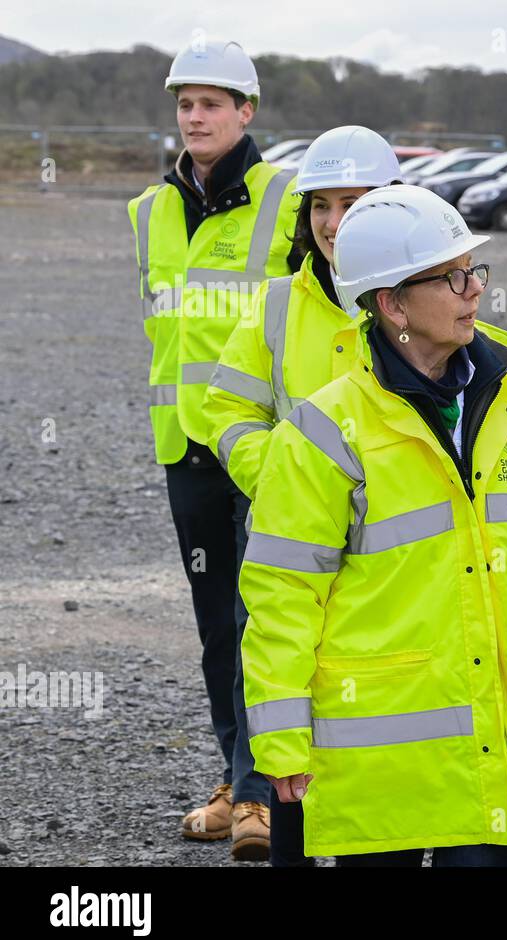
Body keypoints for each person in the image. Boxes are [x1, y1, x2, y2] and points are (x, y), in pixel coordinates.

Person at [239, 185, 507, 864]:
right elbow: (283, 594)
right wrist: (281, 736)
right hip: (383, 765)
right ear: (391, 304)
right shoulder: (325, 433)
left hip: (494, 750)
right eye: (451, 277)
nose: (474, 291)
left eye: (474, 270)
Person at [202, 125, 402, 866]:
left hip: (385, 561)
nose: (332, 222)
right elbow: (225, 408)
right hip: (294, 551)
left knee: (371, 719)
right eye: (322, 204)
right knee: (289, 722)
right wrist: (276, 478)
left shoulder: (409, 300)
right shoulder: (279, 305)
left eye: (353, 203)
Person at [126, 38, 298, 859]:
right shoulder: (147, 212)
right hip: (185, 448)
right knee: (212, 627)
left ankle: (261, 791)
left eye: (211, 103)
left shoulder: (288, 202)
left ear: (247, 112)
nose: (195, 117)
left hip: (260, 446)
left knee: (260, 614)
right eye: (184, 104)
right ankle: (238, 778)